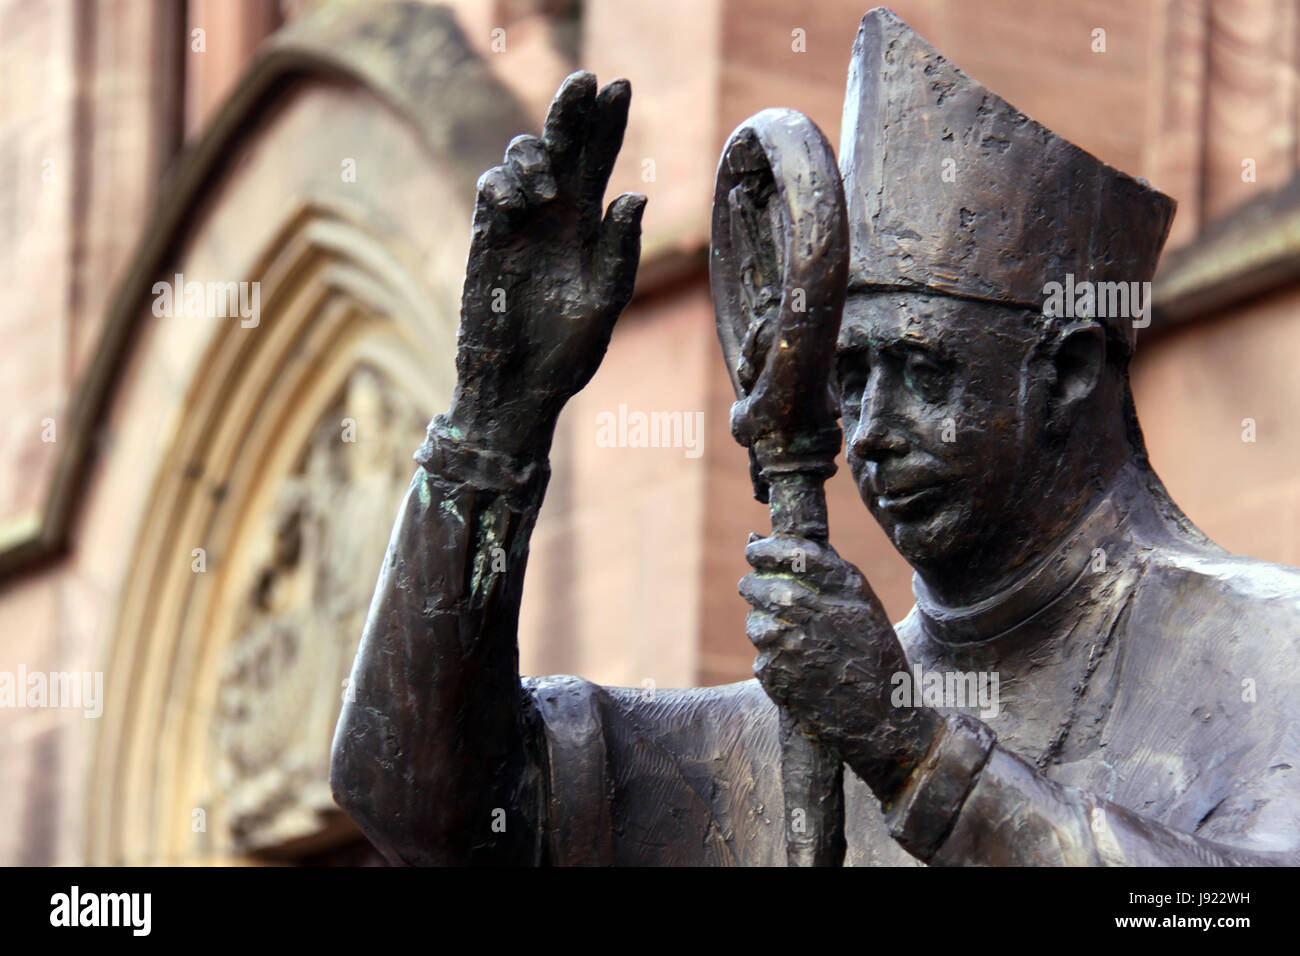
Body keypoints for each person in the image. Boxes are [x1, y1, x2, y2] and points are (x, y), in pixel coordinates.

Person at [330, 8, 1300, 865]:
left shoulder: (1267, 648)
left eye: (923, 373)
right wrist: (490, 426)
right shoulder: (792, 726)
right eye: (847, 378)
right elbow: (423, 800)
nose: (870, 432)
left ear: (1072, 369)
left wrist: (913, 752)